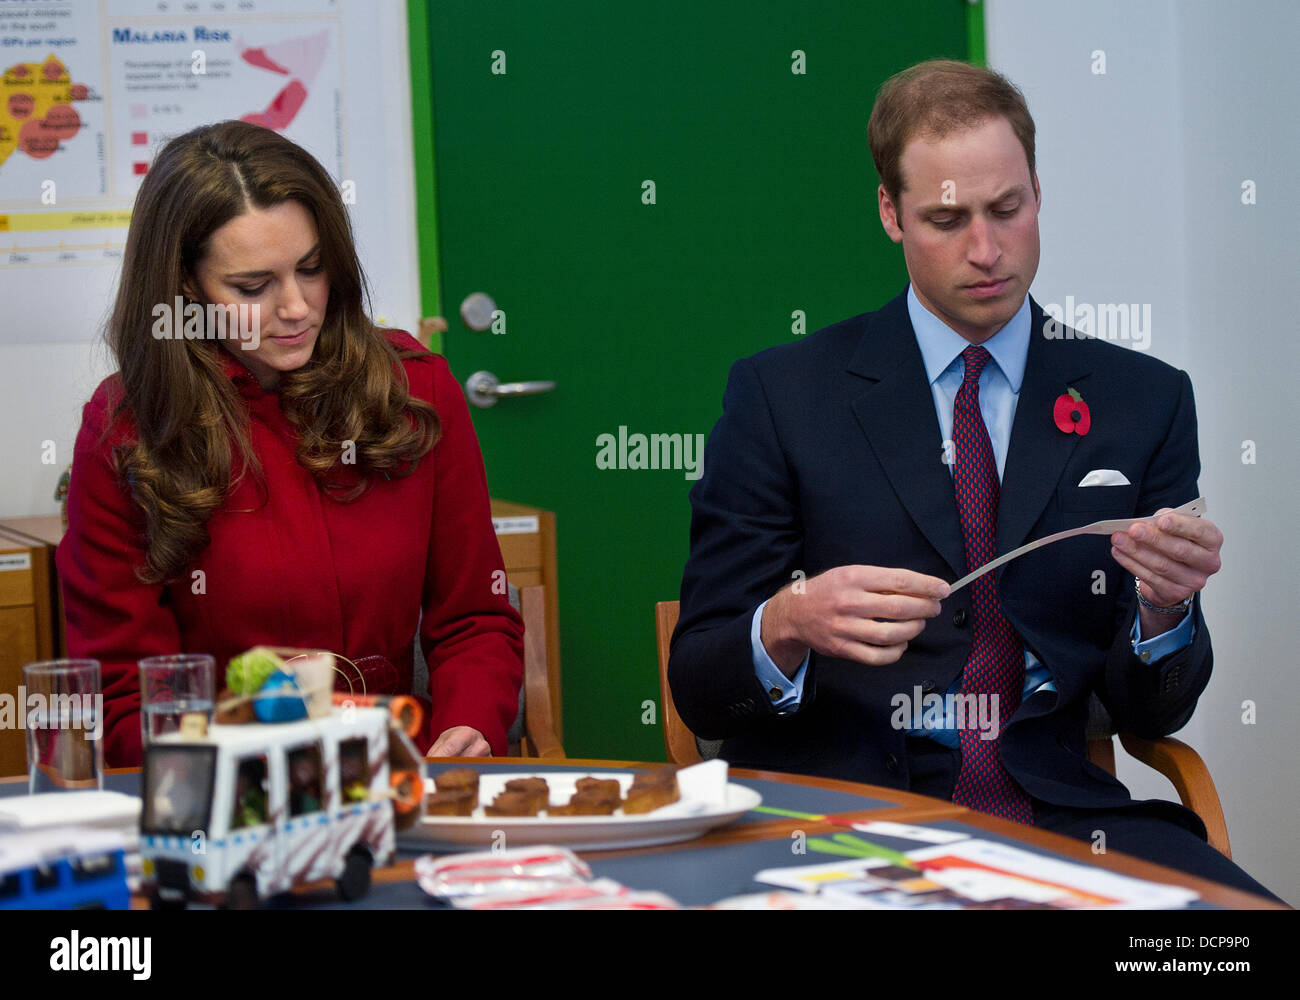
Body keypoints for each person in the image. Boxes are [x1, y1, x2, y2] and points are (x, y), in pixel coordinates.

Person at [668, 60, 1275, 897]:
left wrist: (1166, 612)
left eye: (1006, 210)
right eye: (946, 219)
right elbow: (701, 685)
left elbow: (1153, 713)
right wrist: (788, 622)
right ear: (891, 213)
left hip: (1061, 820)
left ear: (1037, 191)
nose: (986, 251)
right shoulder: (782, 398)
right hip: (844, 829)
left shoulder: (1145, 401)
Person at [57, 120, 523, 768]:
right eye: (253, 288)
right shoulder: (127, 432)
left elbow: (476, 618)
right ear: (186, 287)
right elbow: (121, 701)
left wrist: (469, 725)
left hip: (400, 791)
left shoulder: (416, 391)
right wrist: (248, 722)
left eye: (311, 269)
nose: (297, 306)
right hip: (226, 807)